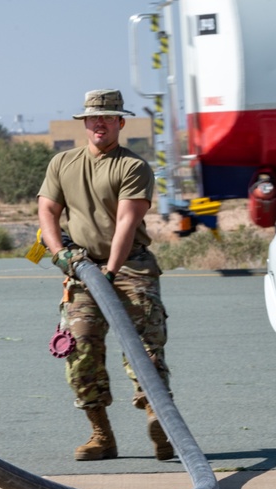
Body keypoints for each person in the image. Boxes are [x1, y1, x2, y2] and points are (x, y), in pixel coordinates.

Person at [37, 88, 175, 463]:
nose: (100, 123)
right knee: (79, 349)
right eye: (93, 118)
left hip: (130, 268)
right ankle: (101, 434)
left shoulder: (132, 167)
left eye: (108, 117)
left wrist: (110, 272)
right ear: (85, 122)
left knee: (145, 350)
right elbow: (47, 210)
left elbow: (127, 222)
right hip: (81, 267)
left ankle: (160, 421)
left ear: (120, 123)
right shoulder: (63, 162)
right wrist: (59, 253)